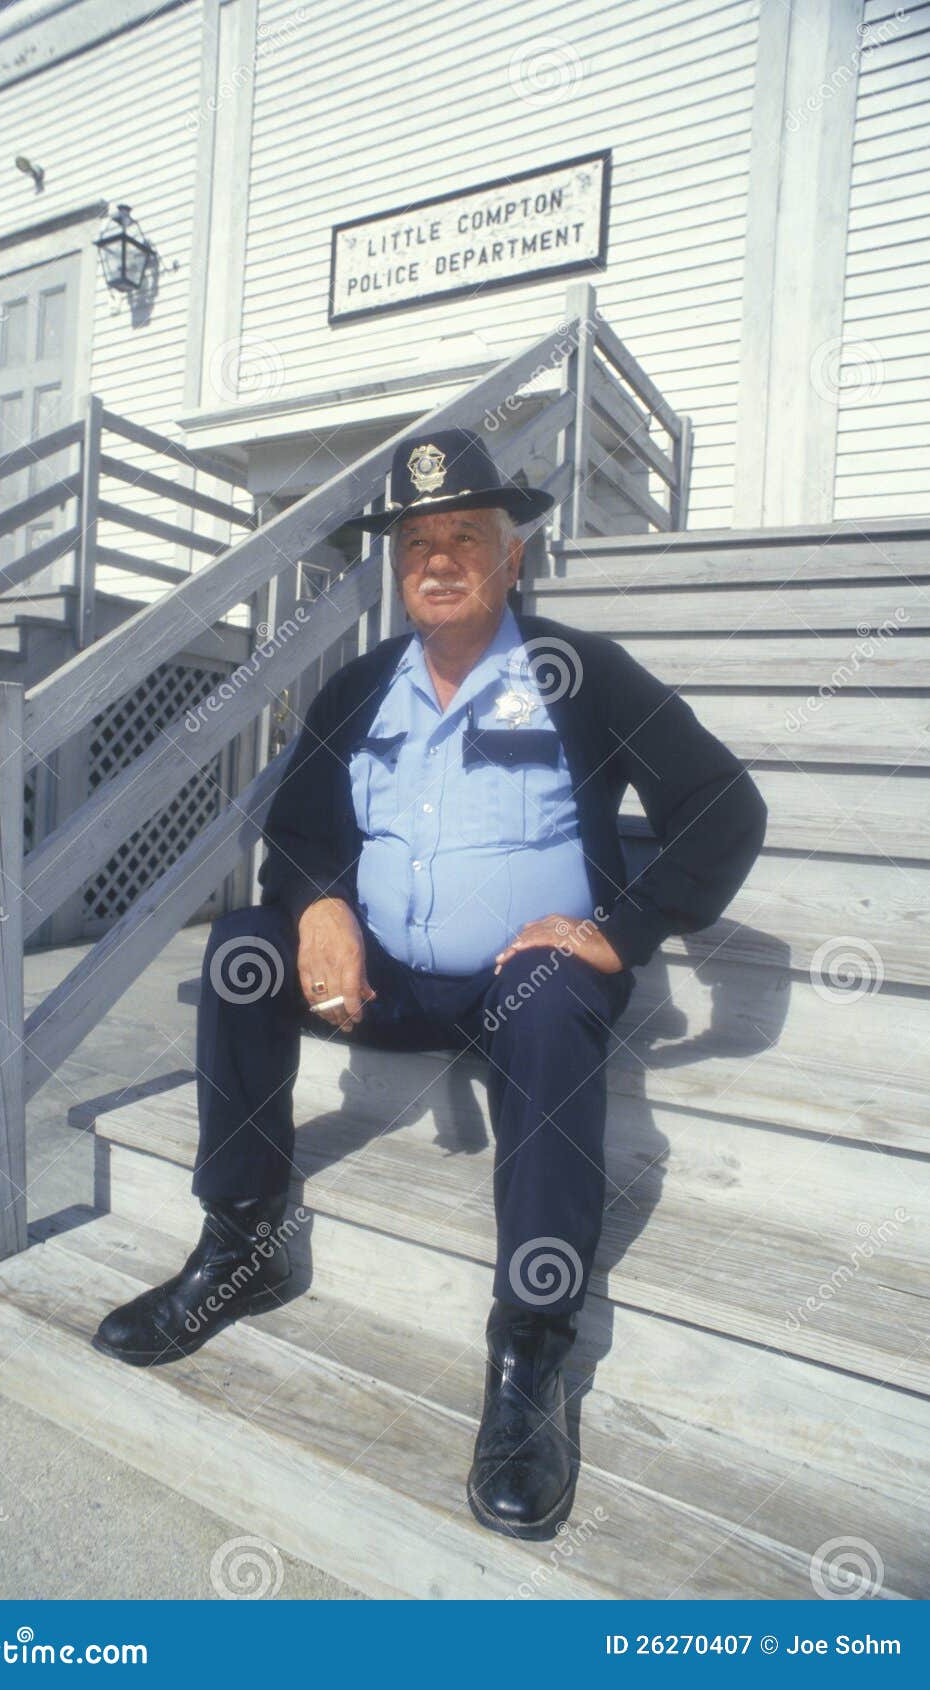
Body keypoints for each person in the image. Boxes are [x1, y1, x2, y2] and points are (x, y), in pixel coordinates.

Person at [93, 427, 768, 1539]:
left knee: (551, 992)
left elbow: (722, 806)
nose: (439, 558)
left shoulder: (578, 674)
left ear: (512, 560)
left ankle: (532, 1350)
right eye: (417, 543)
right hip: (393, 986)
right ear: (397, 568)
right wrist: (314, 904)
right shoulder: (360, 685)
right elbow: (301, 828)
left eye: (465, 536)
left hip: (526, 991)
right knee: (241, 950)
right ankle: (241, 1243)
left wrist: (628, 925)